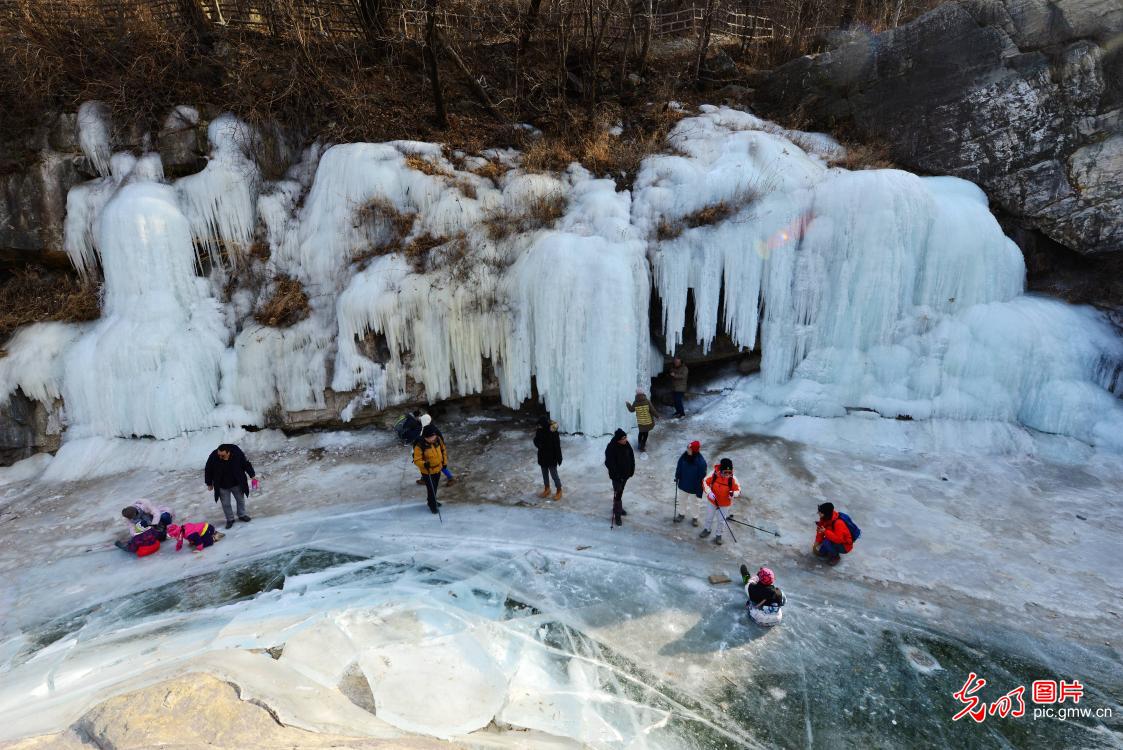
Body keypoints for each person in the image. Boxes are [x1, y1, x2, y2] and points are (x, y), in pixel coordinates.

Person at [205, 443, 258, 530]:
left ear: (228, 452)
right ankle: (230, 519)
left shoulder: (237, 453)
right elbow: (208, 469)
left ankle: (242, 515)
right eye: (219, 455)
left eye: (222, 455)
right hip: (222, 485)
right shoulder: (214, 455)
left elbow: (246, 464)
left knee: (240, 500)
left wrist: (252, 475)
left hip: (237, 483)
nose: (220, 457)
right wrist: (209, 483)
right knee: (226, 504)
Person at [699, 458, 740, 545]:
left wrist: (733, 494)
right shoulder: (713, 474)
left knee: (721, 520)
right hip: (712, 502)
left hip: (724, 504)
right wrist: (709, 492)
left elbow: (738, 490)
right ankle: (707, 529)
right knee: (709, 517)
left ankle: (719, 534)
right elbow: (704, 482)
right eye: (725, 472)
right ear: (721, 470)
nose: (727, 475)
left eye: (729, 472)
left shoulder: (733, 479)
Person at [413, 424, 447, 514]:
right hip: (427, 471)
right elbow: (416, 460)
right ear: (425, 437)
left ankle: (432, 501)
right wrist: (424, 464)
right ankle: (432, 505)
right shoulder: (420, 446)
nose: (432, 438)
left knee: (434, 487)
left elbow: (443, 450)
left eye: (433, 436)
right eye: (430, 437)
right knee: (431, 488)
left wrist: (444, 463)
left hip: (438, 468)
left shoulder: (438, 440)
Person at [604, 428, 635, 526]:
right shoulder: (611, 447)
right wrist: (616, 476)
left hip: (625, 475)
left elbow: (631, 457)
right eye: (623, 438)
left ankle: (618, 508)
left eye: (626, 437)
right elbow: (609, 463)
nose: (625, 439)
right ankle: (617, 515)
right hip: (617, 477)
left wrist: (631, 469)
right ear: (618, 439)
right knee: (618, 494)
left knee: (620, 492)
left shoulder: (627, 444)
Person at [415, 414, 457, 485]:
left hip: (436, 449)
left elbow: (440, 441)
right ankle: (424, 478)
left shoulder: (432, 430)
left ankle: (450, 477)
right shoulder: (425, 428)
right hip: (428, 450)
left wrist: (441, 451)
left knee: (440, 465)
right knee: (426, 465)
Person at [673, 440, 707, 525]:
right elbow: (679, 466)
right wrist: (677, 476)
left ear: (694, 451)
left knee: (694, 503)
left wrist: (698, 489)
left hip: (694, 488)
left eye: (689, 448)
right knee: (682, 500)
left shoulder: (701, 463)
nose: (687, 449)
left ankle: (695, 518)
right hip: (683, 484)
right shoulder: (684, 456)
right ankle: (681, 514)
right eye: (687, 448)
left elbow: (701, 477)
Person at [533, 416, 563, 500]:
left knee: (554, 475)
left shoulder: (553, 432)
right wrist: (538, 444)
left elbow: (557, 446)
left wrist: (559, 458)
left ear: (544, 425)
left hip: (551, 457)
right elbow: (536, 440)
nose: (538, 427)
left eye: (539, 425)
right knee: (544, 474)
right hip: (542, 456)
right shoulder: (539, 431)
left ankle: (559, 490)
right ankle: (547, 489)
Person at [625, 390, 657, 456]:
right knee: (645, 434)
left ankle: (639, 444)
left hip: (641, 422)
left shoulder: (635, 402)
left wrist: (628, 404)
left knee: (641, 433)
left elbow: (631, 410)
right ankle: (642, 446)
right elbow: (652, 410)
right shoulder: (647, 401)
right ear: (643, 394)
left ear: (636, 395)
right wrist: (657, 416)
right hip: (648, 421)